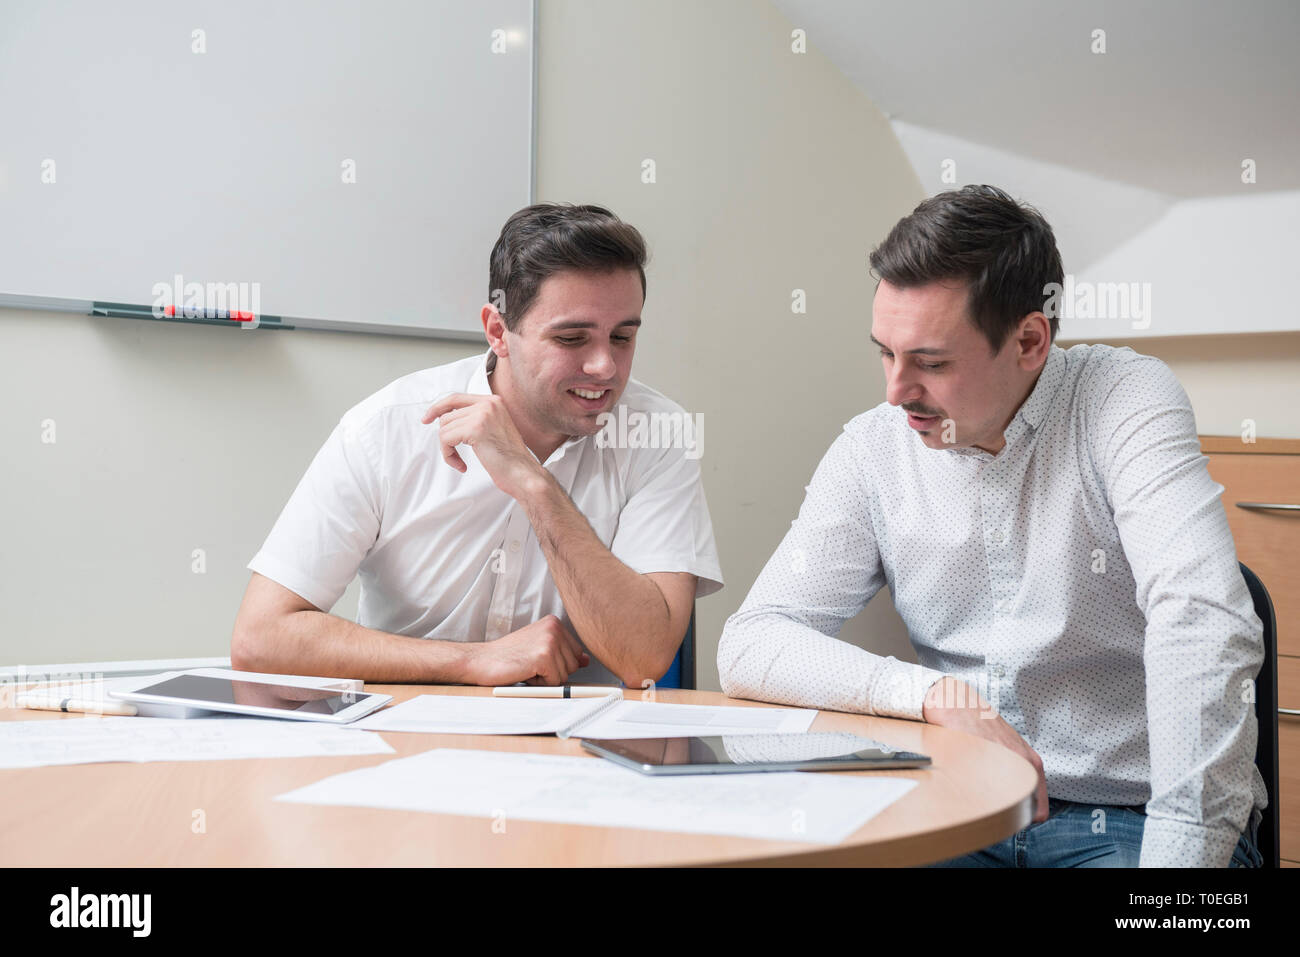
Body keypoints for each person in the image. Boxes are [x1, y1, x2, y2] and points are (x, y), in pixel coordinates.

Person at [718, 185, 1265, 867]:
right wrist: (937, 697)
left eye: (931, 361)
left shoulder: (1123, 399)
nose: (895, 391)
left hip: (1131, 817)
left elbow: (1202, 618)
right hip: (960, 802)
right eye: (885, 352)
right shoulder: (873, 448)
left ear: (1029, 340)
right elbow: (752, 642)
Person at [232, 203, 723, 688]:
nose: (605, 367)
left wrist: (534, 485)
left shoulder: (657, 434)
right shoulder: (386, 429)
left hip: (578, 750)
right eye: (572, 338)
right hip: (407, 742)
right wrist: (471, 661)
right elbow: (261, 638)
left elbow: (645, 659)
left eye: (622, 337)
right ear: (498, 331)